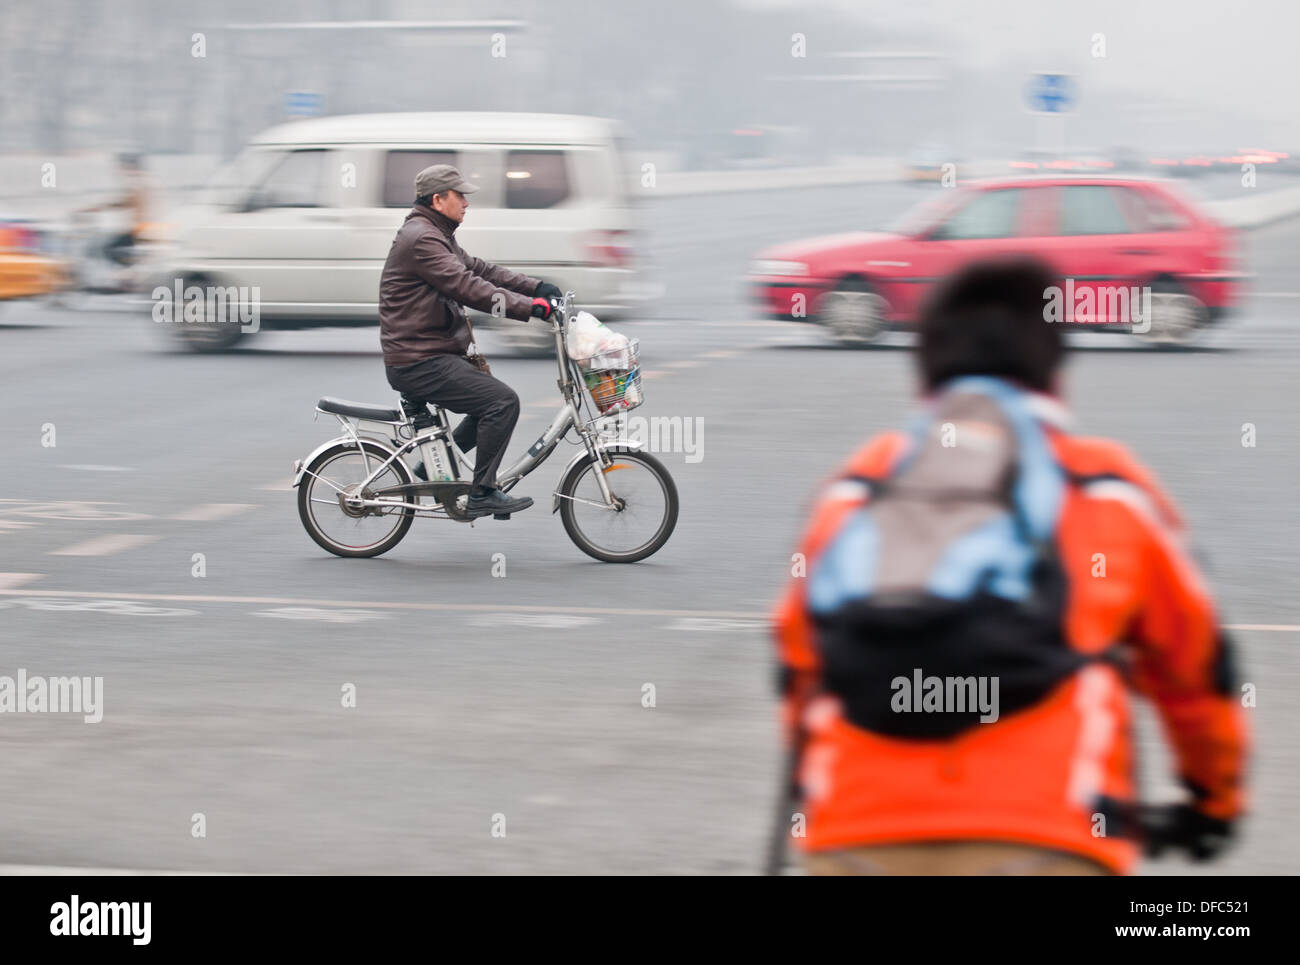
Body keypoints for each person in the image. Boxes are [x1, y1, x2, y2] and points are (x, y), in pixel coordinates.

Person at [772, 257, 1249, 875]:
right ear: (1055, 377)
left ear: (923, 378)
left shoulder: (860, 486)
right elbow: (1196, 669)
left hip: (855, 833)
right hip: (1048, 834)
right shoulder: (1105, 485)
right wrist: (1214, 802)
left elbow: (799, 664)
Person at [378, 164, 561, 518]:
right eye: (460, 195)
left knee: (487, 404)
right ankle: (483, 492)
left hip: (430, 352)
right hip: (418, 359)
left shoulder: (435, 233)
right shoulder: (422, 238)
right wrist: (531, 309)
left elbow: (482, 270)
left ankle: (430, 472)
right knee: (501, 403)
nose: (466, 203)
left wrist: (536, 287)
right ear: (438, 198)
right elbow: (469, 288)